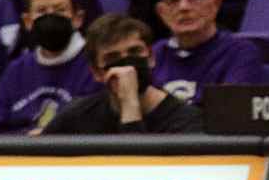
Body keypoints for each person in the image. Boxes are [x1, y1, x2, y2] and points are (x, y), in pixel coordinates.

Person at [41, 13, 202, 133]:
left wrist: (130, 103)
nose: (127, 66)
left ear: (151, 57)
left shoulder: (186, 120)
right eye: (112, 57)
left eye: (135, 51)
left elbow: (136, 174)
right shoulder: (76, 116)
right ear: (97, 72)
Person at [0, 0, 97, 133]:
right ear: (27, 21)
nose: (50, 17)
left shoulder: (95, 65)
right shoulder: (15, 71)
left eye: (60, 10)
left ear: (78, 18)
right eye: (41, 11)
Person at [149, 0, 264, 103]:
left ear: (216, 3)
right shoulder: (153, 55)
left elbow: (227, 114)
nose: (183, 7)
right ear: (162, 12)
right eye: (174, 0)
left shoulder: (240, 53)